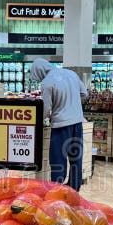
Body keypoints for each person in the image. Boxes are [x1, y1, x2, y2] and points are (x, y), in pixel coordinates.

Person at [31, 58, 87, 191]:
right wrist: (72, 104)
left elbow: (45, 109)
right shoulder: (71, 74)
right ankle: (74, 189)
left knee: (58, 161)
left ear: (39, 72)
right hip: (78, 123)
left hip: (61, 126)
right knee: (76, 159)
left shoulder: (47, 83)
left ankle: (57, 191)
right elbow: (84, 93)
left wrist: (38, 122)